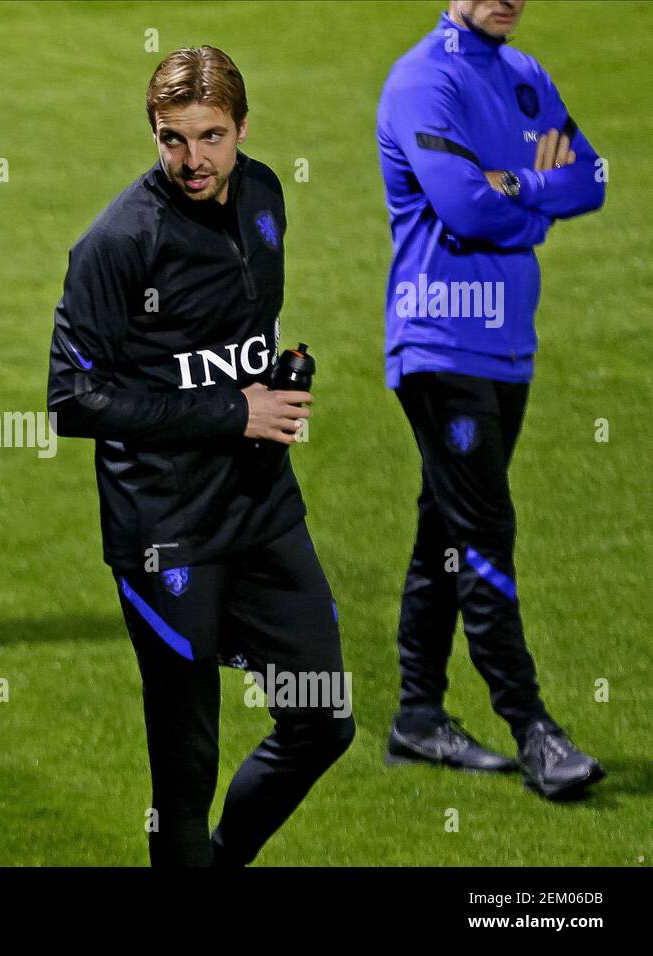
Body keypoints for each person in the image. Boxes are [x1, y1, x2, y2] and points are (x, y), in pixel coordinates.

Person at [47, 47, 353, 866]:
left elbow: (237, 333)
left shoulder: (264, 194)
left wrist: (273, 379)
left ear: (243, 128)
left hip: (262, 512)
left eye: (211, 137)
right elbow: (72, 399)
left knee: (324, 719)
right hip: (165, 532)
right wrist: (233, 409)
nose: (193, 160)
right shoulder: (116, 244)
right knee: (184, 771)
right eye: (172, 139)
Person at [377, 0, 606, 798]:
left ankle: (416, 716)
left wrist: (518, 185)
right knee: (485, 531)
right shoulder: (423, 80)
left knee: (444, 526)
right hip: (439, 344)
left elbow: (594, 179)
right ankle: (534, 730)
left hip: (507, 345)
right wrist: (534, 196)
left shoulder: (524, 75)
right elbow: (464, 205)